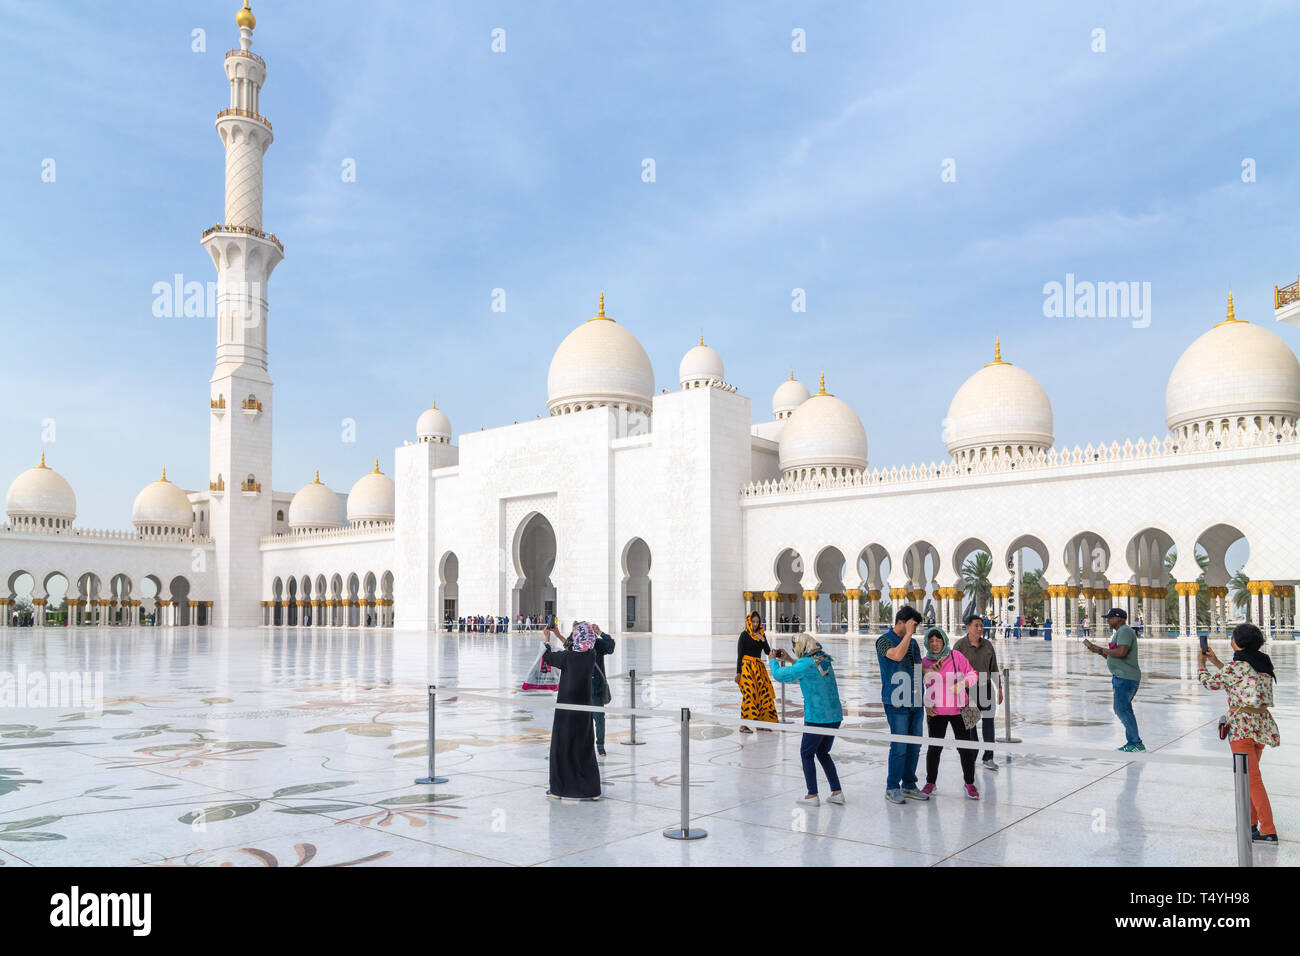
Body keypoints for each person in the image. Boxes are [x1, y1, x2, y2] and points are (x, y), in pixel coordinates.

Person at [1199, 623, 1279, 844]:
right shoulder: (1262, 662)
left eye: (1232, 636)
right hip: (1261, 725)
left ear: (1239, 642)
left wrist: (1201, 665)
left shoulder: (1237, 667)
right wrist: (1215, 661)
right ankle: (1251, 823)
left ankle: (1268, 829)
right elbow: (1240, 680)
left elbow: (1209, 683)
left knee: (1251, 779)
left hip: (1242, 727)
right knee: (1249, 777)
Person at [771, 634, 844, 806]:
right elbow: (807, 670)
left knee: (806, 753)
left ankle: (812, 795)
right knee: (823, 752)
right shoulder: (822, 659)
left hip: (817, 717)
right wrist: (789, 659)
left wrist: (773, 660)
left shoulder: (806, 664)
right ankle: (837, 792)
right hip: (834, 716)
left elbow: (779, 675)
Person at [541, 621, 601, 800]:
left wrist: (547, 638)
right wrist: (560, 634)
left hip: (566, 710)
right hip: (583, 710)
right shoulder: (591, 655)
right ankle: (592, 790)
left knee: (562, 746)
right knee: (584, 748)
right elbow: (575, 647)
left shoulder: (567, 658)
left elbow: (548, 657)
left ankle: (558, 789)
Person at [920, 626, 980, 799]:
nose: (935, 644)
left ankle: (969, 783)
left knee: (965, 749)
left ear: (944, 641)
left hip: (959, 710)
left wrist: (962, 684)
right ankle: (931, 782)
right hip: (936, 712)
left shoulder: (956, 656)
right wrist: (926, 702)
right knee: (934, 748)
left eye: (938, 640)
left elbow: (972, 674)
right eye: (931, 641)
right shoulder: (925, 662)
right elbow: (920, 685)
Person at [877, 605, 927, 804]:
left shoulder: (913, 643)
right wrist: (907, 634)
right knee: (899, 746)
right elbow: (896, 655)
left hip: (915, 699)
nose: (914, 630)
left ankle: (908, 784)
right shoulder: (882, 641)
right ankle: (892, 787)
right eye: (912, 625)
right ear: (902, 622)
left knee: (914, 745)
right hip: (895, 700)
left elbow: (917, 669)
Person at [1084, 607, 1143, 752]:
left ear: (1120, 619)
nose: (1108, 621)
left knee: (1121, 709)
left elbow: (1122, 652)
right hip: (1122, 676)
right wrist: (1098, 651)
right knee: (1123, 709)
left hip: (1126, 676)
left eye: (1110, 618)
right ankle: (1134, 742)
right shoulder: (1120, 633)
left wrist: (1100, 649)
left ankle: (1136, 743)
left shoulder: (1124, 630)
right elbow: (1114, 655)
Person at [953, 612, 1002, 771]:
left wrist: (999, 688)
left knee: (988, 723)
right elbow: (953, 670)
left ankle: (989, 757)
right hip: (968, 690)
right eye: (976, 625)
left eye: (981, 625)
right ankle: (972, 754)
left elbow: (993, 667)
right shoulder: (959, 646)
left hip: (986, 688)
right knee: (971, 724)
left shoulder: (987, 645)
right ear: (968, 627)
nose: (980, 628)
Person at [735, 611, 777, 732]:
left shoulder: (760, 635)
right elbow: (740, 655)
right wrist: (738, 673)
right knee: (750, 695)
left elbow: (768, 651)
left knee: (763, 694)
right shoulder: (744, 635)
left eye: (757, 622)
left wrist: (763, 639)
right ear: (749, 622)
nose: (755, 624)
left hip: (759, 668)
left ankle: (762, 723)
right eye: (753, 621)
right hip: (746, 668)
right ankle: (744, 725)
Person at [590, 624, 616, 756]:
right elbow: (567, 645)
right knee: (580, 720)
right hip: (580, 689)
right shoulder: (576, 646)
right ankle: (584, 745)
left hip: (595, 689)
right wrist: (573, 633)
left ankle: (600, 744)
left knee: (599, 718)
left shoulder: (598, 644)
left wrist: (600, 632)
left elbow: (610, 647)